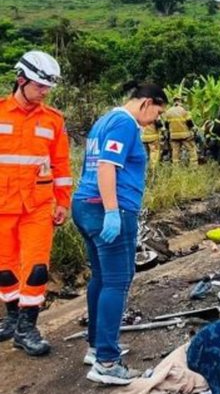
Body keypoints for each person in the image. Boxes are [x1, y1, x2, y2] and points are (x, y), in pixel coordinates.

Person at [72, 82, 168, 385]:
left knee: (101, 279)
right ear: (146, 102)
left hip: (85, 206)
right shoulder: (125, 124)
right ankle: (107, 363)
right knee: (117, 282)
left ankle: (97, 347)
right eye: (157, 111)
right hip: (108, 209)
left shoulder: (104, 120)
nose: (155, 118)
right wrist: (113, 211)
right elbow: (106, 167)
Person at [0, 50, 71, 357]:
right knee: (4, 269)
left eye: (48, 88)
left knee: (37, 268)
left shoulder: (53, 120)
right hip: (2, 205)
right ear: (21, 80)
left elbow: (61, 165)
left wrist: (62, 202)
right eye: (40, 86)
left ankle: (27, 329)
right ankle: (12, 320)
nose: (45, 92)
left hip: (38, 206)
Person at [163, 96, 197, 165]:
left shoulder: (168, 111)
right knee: (191, 149)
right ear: (180, 101)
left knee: (175, 151)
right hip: (185, 135)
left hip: (174, 135)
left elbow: (166, 124)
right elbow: (189, 122)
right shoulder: (183, 110)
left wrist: (169, 132)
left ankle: (176, 167)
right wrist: (193, 129)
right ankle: (193, 166)